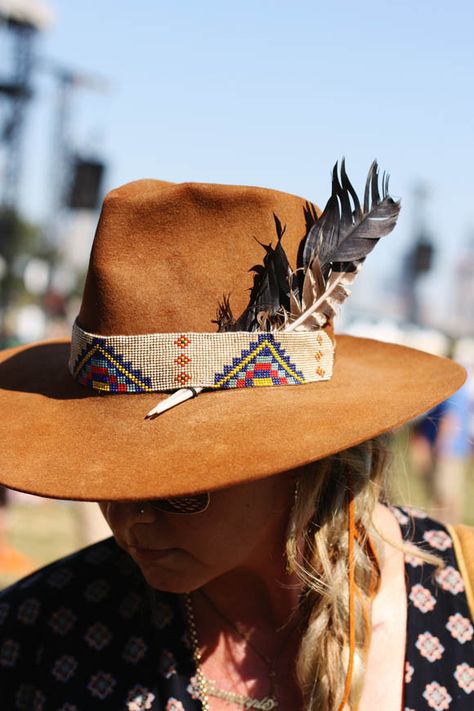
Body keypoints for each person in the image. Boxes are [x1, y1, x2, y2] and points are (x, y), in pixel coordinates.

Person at [0, 164, 472, 711]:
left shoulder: (463, 597)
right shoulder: (39, 642)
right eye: (103, 475)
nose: (128, 521)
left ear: (296, 453)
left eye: (175, 487)